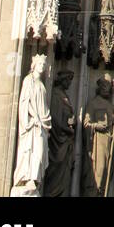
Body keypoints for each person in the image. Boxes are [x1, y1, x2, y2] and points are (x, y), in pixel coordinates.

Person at [11, 53, 52, 197]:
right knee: (30, 151)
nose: (42, 67)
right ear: (34, 65)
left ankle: (34, 180)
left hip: (41, 125)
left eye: (44, 65)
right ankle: (26, 179)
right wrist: (32, 118)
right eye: (40, 64)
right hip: (31, 124)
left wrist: (45, 120)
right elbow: (24, 102)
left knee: (39, 153)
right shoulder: (28, 81)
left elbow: (44, 107)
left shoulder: (41, 84)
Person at [82, 74, 114, 196]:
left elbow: (112, 123)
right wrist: (96, 126)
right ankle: (94, 192)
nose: (107, 90)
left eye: (109, 87)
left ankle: (100, 192)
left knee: (106, 169)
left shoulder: (109, 105)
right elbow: (86, 123)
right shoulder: (93, 103)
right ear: (101, 88)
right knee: (98, 169)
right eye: (105, 86)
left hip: (107, 140)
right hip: (96, 142)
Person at [44, 68, 76, 197]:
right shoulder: (56, 95)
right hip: (58, 139)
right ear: (63, 80)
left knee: (64, 171)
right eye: (68, 80)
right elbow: (56, 119)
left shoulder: (64, 95)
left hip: (65, 139)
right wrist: (68, 127)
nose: (69, 84)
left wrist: (72, 123)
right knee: (56, 168)